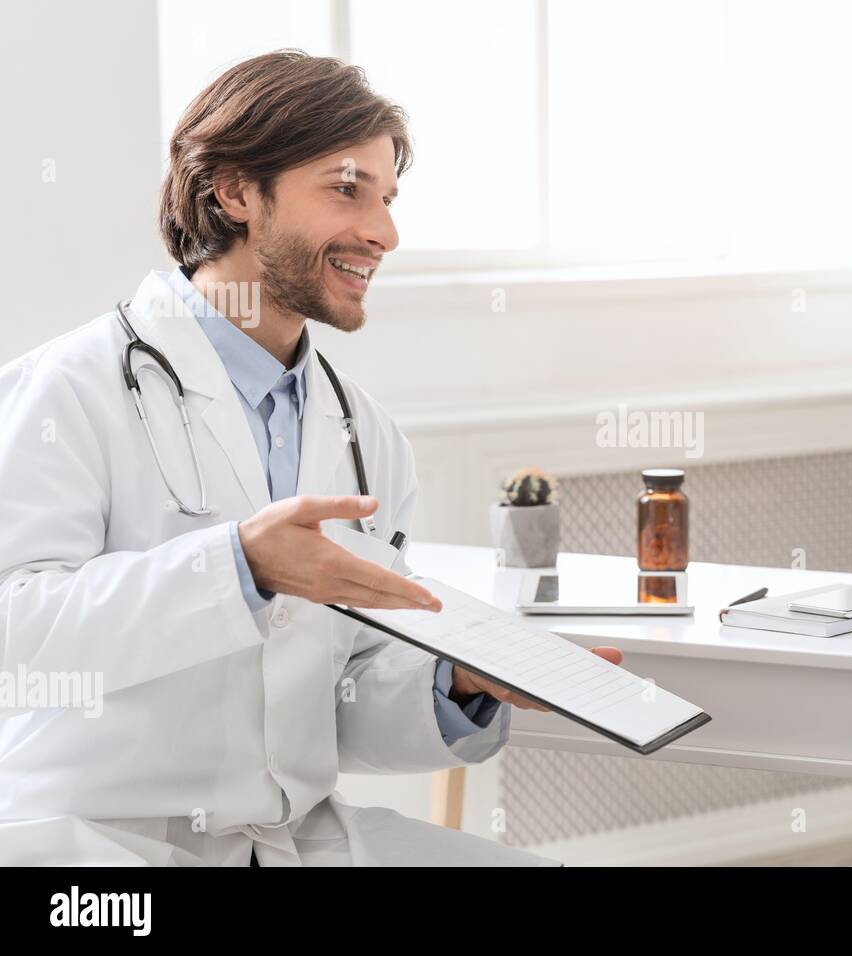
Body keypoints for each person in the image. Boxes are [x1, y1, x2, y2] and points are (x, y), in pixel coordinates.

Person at [0, 50, 620, 866]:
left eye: (388, 198)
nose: (383, 232)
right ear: (233, 192)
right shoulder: (71, 389)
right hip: (98, 848)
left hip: (289, 839)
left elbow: (339, 703)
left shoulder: (367, 440)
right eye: (346, 188)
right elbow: (18, 632)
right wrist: (238, 567)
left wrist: (458, 684)